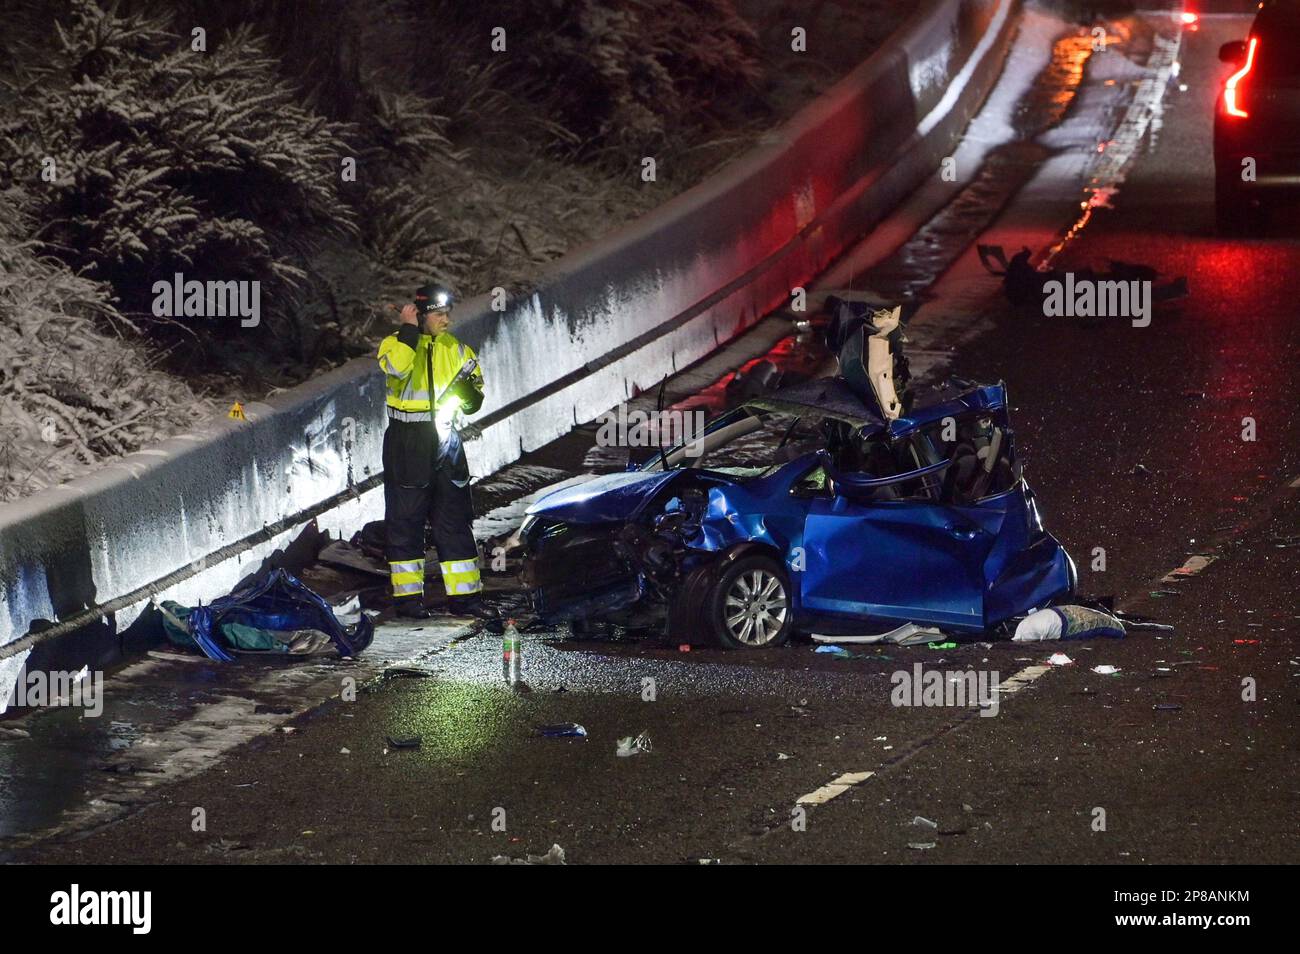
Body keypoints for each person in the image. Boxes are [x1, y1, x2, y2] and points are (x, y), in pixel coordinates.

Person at [376, 283, 492, 619]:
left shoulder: (456, 348)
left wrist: (470, 394)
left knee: (454, 519)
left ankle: (466, 599)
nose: (445, 319)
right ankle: (409, 602)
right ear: (421, 314)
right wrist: (409, 330)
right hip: (407, 440)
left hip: (446, 440)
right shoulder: (395, 345)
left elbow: (475, 395)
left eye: (447, 313)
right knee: (406, 520)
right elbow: (396, 367)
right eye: (438, 314)